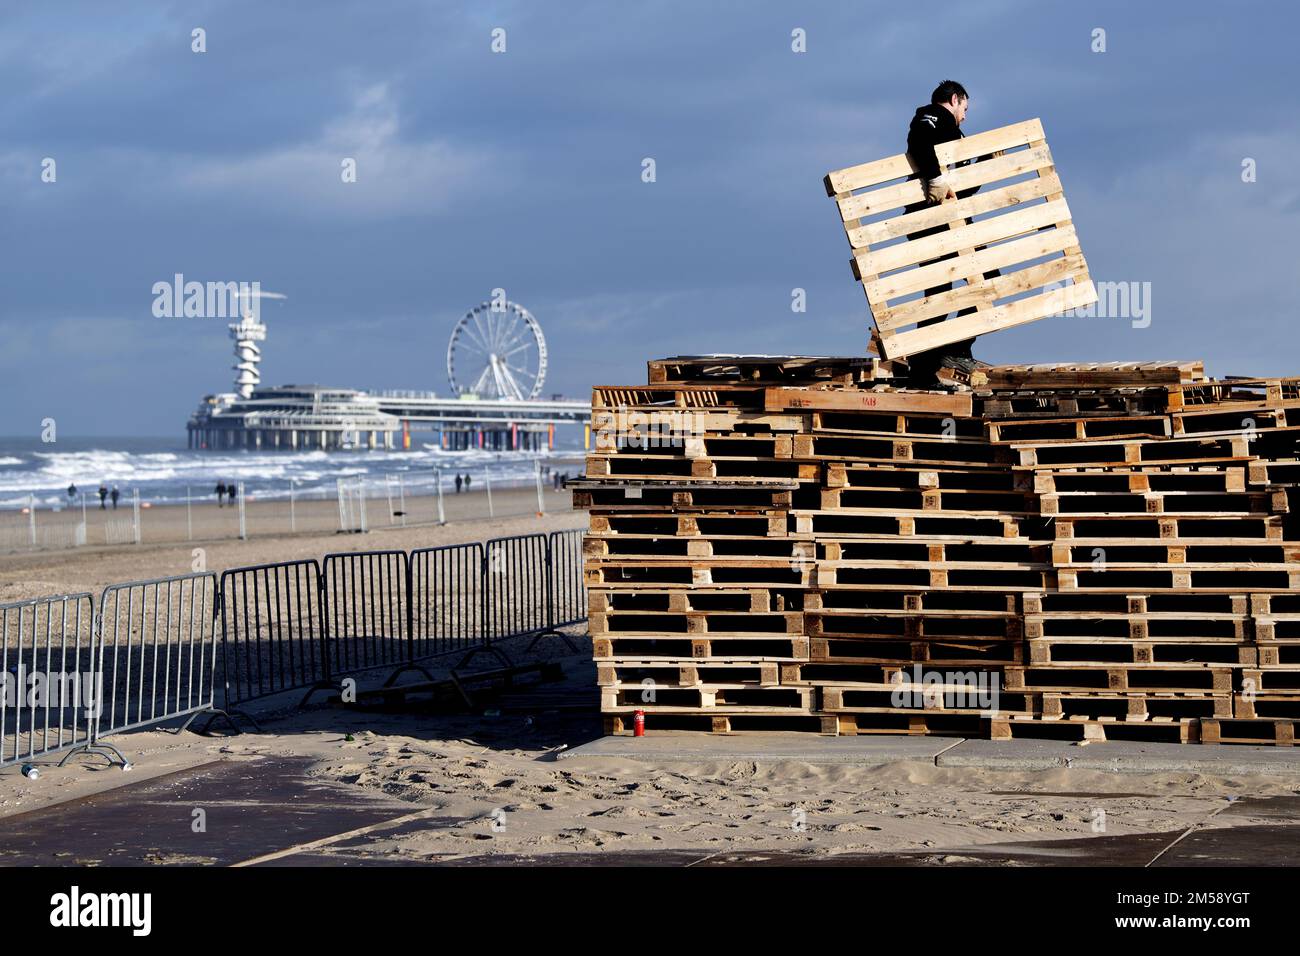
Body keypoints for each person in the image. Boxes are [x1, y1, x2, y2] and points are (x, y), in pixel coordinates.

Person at [903, 79, 1001, 385]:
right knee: (947, 290)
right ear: (954, 100)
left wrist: (984, 162)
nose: (965, 116)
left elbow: (959, 190)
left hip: (950, 222)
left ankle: (932, 363)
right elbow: (918, 139)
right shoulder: (932, 116)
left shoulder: (953, 134)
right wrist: (934, 179)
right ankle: (940, 358)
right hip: (934, 224)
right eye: (965, 108)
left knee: (946, 291)